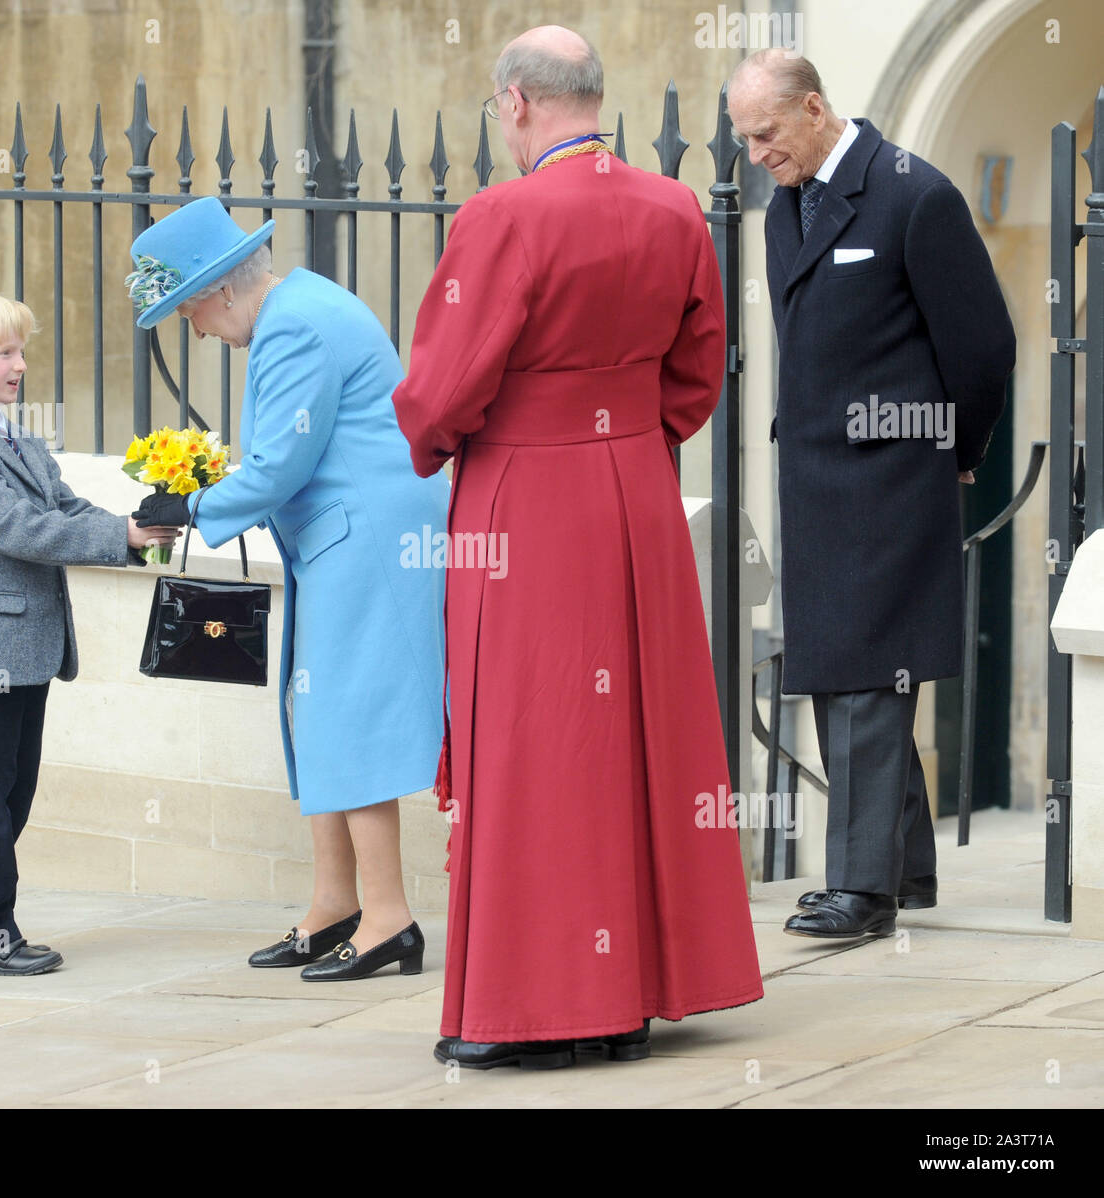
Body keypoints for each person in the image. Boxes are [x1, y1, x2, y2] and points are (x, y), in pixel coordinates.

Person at [391, 25, 763, 1070]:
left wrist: (430, 433)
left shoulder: (500, 215)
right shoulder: (674, 206)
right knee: (637, 735)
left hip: (526, 497)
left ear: (515, 103)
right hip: (636, 491)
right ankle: (629, 990)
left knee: (533, 740)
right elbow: (699, 368)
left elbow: (443, 387)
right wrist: (634, 443)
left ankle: (537, 1003)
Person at [727, 51, 1016, 939]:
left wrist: (956, 450)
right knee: (835, 662)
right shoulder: (787, 207)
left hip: (892, 475)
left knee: (865, 677)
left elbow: (983, 344)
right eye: (744, 138)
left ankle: (862, 891)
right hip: (814, 479)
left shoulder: (913, 195)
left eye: (766, 134)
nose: (756, 154)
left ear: (814, 108)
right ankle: (906, 867)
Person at [128, 198, 449, 980]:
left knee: (351, 716)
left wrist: (192, 506)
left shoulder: (295, 324)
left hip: (367, 540)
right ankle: (338, 904)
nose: (196, 330)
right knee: (322, 714)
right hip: (347, 536)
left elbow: (279, 469)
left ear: (223, 291)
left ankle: (388, 919)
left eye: (189, 310)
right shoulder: (298, 309)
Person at [0, 290, 179, 975]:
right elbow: (24, 530)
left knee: (10, 795)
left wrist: (136, 528)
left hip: (24, 648)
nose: (20, 364)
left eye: (21, 351)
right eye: (4, 352)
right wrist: (118, 535)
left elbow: (64, 507)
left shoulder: (12, 434)